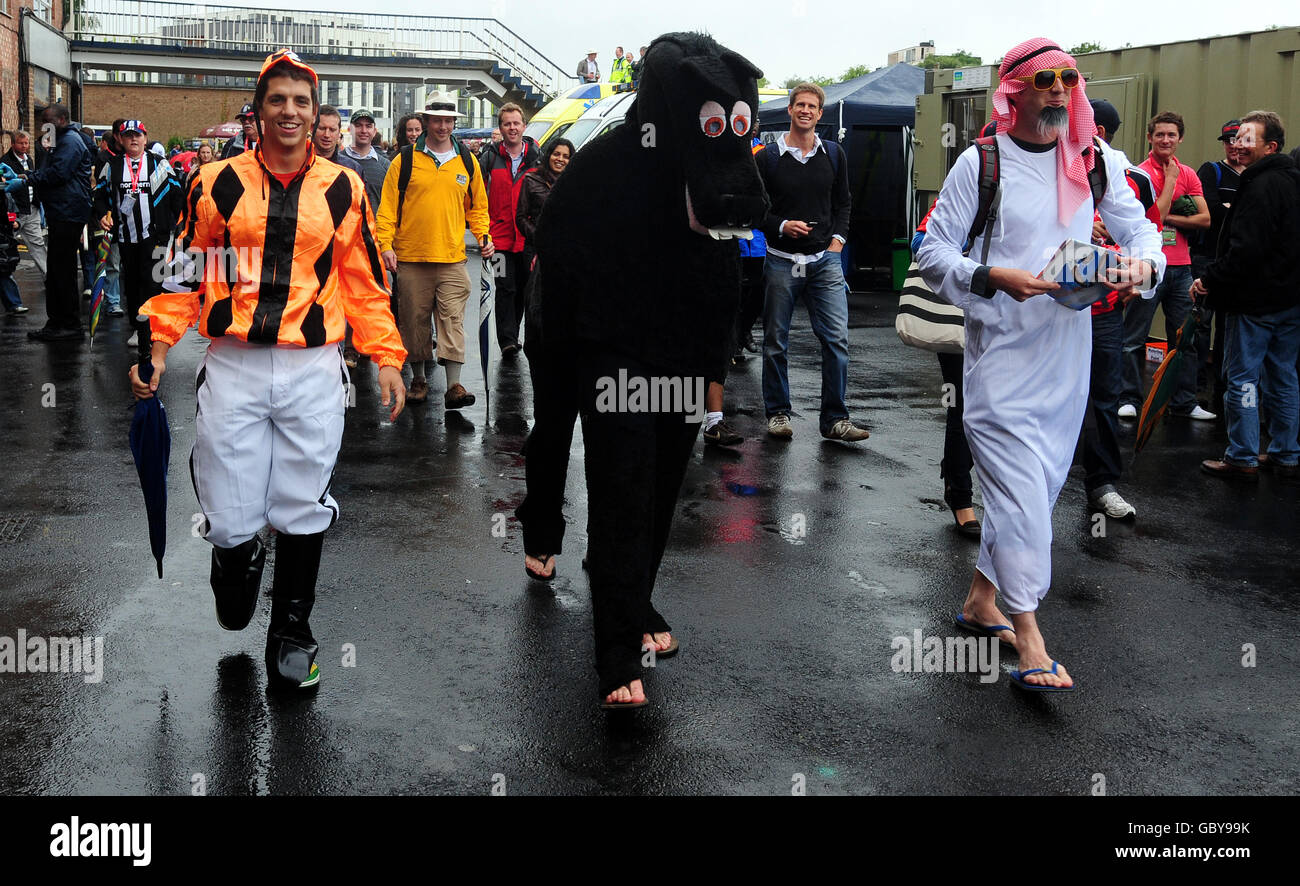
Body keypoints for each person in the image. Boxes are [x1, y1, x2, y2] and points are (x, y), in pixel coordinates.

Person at [134, 49, 407, 691]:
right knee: (228, 515)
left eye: (302, 102)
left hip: (314, 366)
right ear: (257, 110)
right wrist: (157, 342)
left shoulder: (344, 188)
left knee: (300, 503)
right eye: (277, 100)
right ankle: (236, 555)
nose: (290, 111)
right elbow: (183, 272)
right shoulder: (213, 182)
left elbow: (363, 282)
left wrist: (387, 356)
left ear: (316, 115)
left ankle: (291, 628)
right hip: (234, 363)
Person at [917, 38, 1164, 692]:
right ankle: (1029, 633)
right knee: (1023, 491)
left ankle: (980, 601)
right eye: (1045, 79)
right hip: (998, 351)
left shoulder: (1095, 158)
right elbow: (934, 254)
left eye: (1069, 79)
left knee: (1037, 484)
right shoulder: (981, 163)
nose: (1059, 89)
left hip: (1068, 352)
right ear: (1014, 90)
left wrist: (1143, 265)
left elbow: (1141, 230)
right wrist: (993, 276)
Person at [534, 32, 769, 708]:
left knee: (662, 491)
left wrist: (712, 371)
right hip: (614, 361)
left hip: (683, 364)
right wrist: (580, 345)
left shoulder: (715, 174)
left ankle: (633, 601)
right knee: (622, 490)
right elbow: (557, 252)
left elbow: (725, 274)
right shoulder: (608, 160)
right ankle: (615, 653)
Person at [757, 83, 869, 443]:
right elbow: (756, 209)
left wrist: (837, 243)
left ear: (820, 114)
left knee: (836, 340)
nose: (805, 110)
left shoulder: (834, 154)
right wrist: (780, 225)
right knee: (776, 341)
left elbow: (844, 203)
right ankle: (777, 414)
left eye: (812, 106)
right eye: (800, 104)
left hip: (824, 262)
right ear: (790, 110)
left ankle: (835, 419)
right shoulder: (768, 158)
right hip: (781, 261)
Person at [1194, 111, 1300, 480]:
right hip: (1288, 302)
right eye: (1236, 137)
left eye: (1247, 138)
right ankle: (1285, 452)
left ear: (1270, 146)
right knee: (1284, 375)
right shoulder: (1291, 181)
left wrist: (1210, 280)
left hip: (1255, 303)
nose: (1237, 144)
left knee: (1242, 378)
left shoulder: (1260, 186)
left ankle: (1242, 455)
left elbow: (1245, 251)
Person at [375, 92, 492, 408]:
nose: (443, 126)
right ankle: (418, 379)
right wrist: (385, 245)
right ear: (426, 121)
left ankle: (454, 386)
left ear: (455, 123)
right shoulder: (405, 160)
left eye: (448, 120)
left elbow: (478, 206)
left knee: (453, 320)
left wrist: (483, 235)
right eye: (437, 119)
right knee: (414, 321)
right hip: (411, 258)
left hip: (452, 257)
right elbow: (387, 209)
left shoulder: (467, 161)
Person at [1081, 98, 1161, 521]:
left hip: (1104, 308)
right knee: (1040, 397)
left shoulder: (1120, 172)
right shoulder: (1025, 160)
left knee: (1104, 396)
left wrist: (1141, 275)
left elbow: (1145, 232)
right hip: (1044, 304)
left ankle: (1102, 483)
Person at [1119, 111, 1213, 421]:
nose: (1166, 140)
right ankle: (1129, 398)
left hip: (1181, 267)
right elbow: (1149, 220)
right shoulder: (1138, 174)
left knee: (1183, 339)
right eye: (1160, 134)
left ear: (1180, 138)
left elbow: (1205, 219)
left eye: (1172, 135)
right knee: (1134, 337)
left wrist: (1171, 217)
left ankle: (1184, 402)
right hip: (1147, 266)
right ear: (1149, 137)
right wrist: (1171, 182)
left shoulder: (1190, 172)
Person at [514, 137, 573, 581]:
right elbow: (524, 221)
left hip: (615, 332)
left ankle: (615, 546)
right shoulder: (534, 183)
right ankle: (540, 537)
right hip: (551, 319)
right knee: (552, 430)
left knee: (617, 441)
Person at [92, 119, 183, 347]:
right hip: (125, 236)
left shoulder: (159, 164)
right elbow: (100, 196)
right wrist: (102, 214)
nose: (134, 139)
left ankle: (150, 328)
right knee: (132, 283)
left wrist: (183, 227)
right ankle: (137, 325)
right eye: (129, 135)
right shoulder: (111, 166)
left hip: (155, 234)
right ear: (120, 139)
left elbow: (176, 196)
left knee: (152, 281)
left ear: (146, 137)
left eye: (138, 135)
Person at [14, 104, 92, 343]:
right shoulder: (60, 139)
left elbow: (58, 173)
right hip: (63, 210)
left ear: (62, 120)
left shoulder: (69, 142)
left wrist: (27, 178)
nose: (43, 126)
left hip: (68, 211)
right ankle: (59, 321)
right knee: (59, 269)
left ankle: (66, 323)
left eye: (47, 121)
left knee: (62, 270)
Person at [1190, 119, 1245, 412]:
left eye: (1238, 140)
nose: (1234, 145)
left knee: (1229, 326)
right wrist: (1237, 213)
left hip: (1234, 261)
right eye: (1228, 140)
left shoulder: (1250, 177)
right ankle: (1196, 385)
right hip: (1206, 256)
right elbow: (1210, 209)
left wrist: (1229, 210)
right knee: (1201, 323)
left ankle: (1222, 386)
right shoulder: (1212, 171)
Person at [478, 102, 540, 357]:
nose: (512, 128)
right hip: (500, 239)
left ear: (524, 126)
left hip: (527, 239)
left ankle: (513, 332)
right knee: (505, 287)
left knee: (525, 288)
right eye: (507, 124)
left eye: (516, 123)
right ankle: (507, 340)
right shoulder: (489, 158)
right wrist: (482, 233)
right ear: (500, 128)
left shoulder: (537, 157)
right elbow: (477, 197)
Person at [1, 131, 46, 279]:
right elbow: (6, 188)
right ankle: (5, 277)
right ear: (13, 144)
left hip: (31, 209)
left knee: (38, 244)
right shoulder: (6, 162)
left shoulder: (29, 160)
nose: (24, 146)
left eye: (26, 143)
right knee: (6, 245)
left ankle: (49, 278)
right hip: (16, 210)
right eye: (21, 143)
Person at [343, 109, 390, 209]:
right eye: (358, 125)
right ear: (349, 129)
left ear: (374, 131)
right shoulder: (337, 162)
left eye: (368, 126)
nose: (364, 130)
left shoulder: (385, 166)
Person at [311, 105, 363, 176]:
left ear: (339, 133)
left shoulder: (352, 169)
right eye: (322, 128)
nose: (327, 135)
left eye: (332, 130)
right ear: (312, 129)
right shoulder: (298, 165)